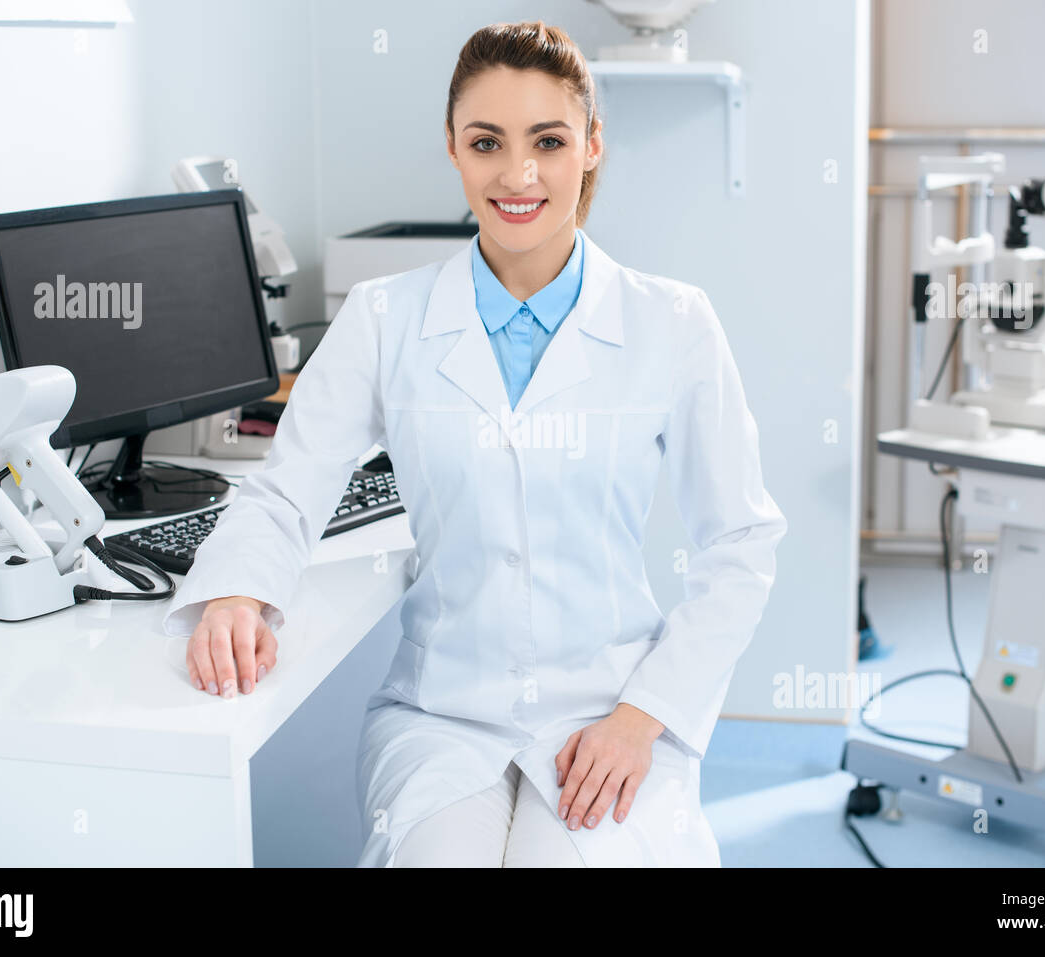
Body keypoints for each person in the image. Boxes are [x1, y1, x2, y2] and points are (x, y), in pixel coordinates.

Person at [161, 20, 787, 868]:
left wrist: (646, 716)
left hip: (614, 703)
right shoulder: (385, 317)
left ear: (592, 147)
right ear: (453, 148)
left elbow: (741, 541)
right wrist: (237, 592)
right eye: (487, 141)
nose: (518, 174)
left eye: (549, 141)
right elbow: (286, 489)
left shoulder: (671, 321)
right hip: (442, 711)